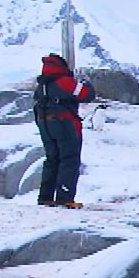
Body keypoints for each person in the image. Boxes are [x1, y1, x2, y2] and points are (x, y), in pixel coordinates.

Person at [33, 53, 95, 208]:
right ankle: (65, 198)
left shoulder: (42, 85)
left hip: (44, 124)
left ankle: (45, 197)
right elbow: (87, 95)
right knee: (69, 159)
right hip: (64, 124)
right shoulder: (65, 82)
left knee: (52, 159)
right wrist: (85, 82)